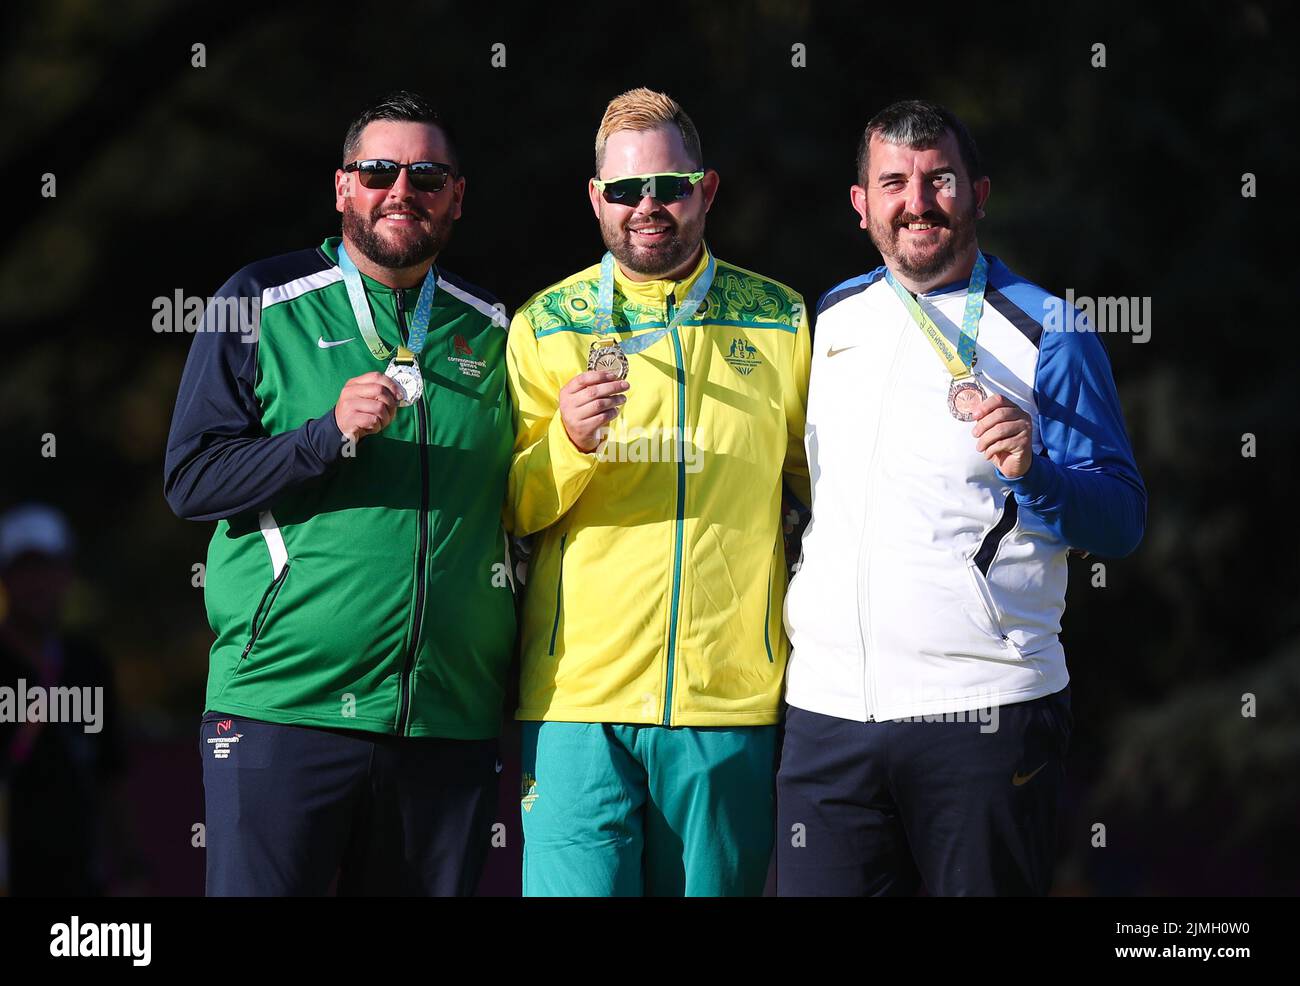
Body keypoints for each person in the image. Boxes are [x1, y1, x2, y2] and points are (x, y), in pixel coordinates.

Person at [778, 100, 1146, 896]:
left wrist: (1036, 474)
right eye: (894, 183)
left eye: (939, 179)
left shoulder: (1052, 328)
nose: (918, 202)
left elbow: (1121, 519)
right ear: (861, 203)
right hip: (828, 713)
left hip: (984, 712)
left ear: (977, 191)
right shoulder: (833, 316)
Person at [163, 90, 515, 896]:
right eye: (379, 170)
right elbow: (191, 480)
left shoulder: (494, 329)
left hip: (445, 723)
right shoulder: (259, 301)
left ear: (456, 195)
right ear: (342, 187)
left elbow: (526, 502)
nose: (402, 190)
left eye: (426, 174)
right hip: (283, 708)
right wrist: (324, 435)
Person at [505, 88, 811, 896]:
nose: (649, 207)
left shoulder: (781, 320)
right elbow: (510, 507)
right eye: (626, 190)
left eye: (670, 187)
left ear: (705, 190)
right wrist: (566, 444)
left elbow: (827, 496)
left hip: (727, 702)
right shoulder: (546, 324)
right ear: (596, 199)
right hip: (577, 700)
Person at [0, 503, 133, 896]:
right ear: (5, 578)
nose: (38, 583)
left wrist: (131, 866)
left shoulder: (88, 663)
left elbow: (112, 775)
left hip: (79, 884)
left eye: (49, 567)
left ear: (67, 574)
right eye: (26, 569)